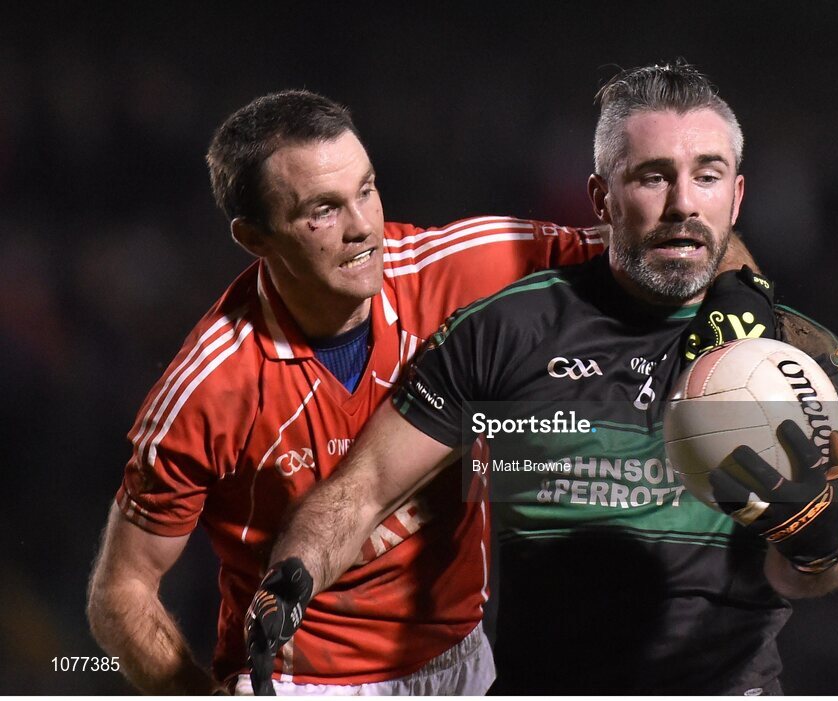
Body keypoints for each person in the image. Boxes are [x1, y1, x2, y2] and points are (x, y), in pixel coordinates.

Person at [255, 60, 838, 694]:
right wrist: (292, 574)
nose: (683, 203)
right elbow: (364, 489)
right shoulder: (505, 332)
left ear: (735, 196)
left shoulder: (803, 361)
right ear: (601, 198)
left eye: (706, 177)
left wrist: (815, 545)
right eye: (653, 177)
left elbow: (810, 577)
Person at [85, 89, 613, 695]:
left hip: (463, 662)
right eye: (322, 211)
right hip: (305, 684)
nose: (363, 227)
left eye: (366, 189)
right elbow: (120, 591)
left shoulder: (458, 274)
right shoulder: (209, 388)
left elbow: (658, 254)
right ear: (254, 238)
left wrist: (737, 300)